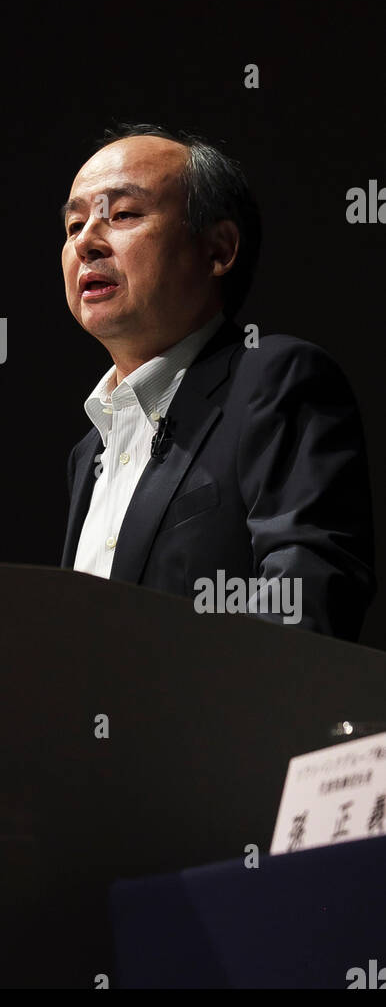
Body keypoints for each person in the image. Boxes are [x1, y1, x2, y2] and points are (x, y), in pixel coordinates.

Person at [60, 122, 376, 639]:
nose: (87, 243)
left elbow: (305, 606)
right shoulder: (86, 453)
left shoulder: (273, 381)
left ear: (218, 249)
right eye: (73, 226)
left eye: (122, 215)